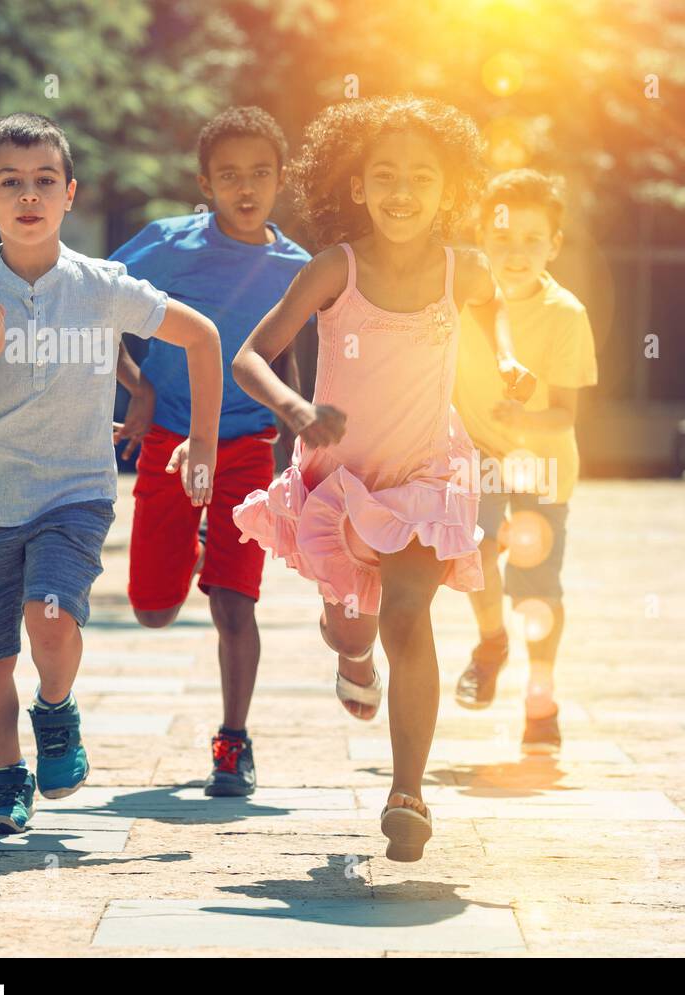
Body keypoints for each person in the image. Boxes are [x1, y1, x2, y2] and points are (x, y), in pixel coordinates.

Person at [231, 96, 534, 861]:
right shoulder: (337, 267)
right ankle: (350, 652)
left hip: (426, 475)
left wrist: (503, 357)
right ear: (359, 185)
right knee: (351, 625)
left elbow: (492, 305)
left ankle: (408, 792)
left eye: (423, 177)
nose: (404, 191)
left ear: (449, 190)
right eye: (386, 175)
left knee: (408, 616)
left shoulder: (461, 267)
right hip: (342, 486)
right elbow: (250, 356)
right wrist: (297, 409)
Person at [0, 113, 222, 833]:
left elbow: (204, 337)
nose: (28, 195)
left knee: (49, 618)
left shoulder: (102, 286)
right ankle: (7, 777)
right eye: (11, 183)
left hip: (73, 493)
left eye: (44, 182)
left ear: (69, 194)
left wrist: (206, 442)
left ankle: (56, 712)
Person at [109, 106, 311, 797]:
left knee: (235, 603)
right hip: (167, 440)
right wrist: (134, 385)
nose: (246, 187)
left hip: (248, 446)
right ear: (205, 182)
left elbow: (298, 359)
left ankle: (233, 741)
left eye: (260, 173)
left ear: (281, 179)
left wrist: (304, 434)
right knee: (153, 610)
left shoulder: (297, 266)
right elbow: (93, 301)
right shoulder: (168, 245)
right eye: (229, 176)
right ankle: (192, 551)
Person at [450, 169, 598, 755]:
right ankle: (490, 646)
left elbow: (565, 413)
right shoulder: (460, 297)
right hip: (480, 453)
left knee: (535, 588)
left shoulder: (566, 313)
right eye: (504, 239)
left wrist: (524, 420)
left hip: (543, 464)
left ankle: (542, 699)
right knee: (474, 550)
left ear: (553, 246)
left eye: (532, 241)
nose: (516, 254)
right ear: (482, 237)